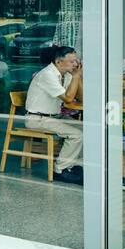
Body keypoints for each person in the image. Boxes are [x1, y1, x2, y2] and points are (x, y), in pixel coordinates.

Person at [24, 44, 84, 184]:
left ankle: (75, 166)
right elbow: (68, 98)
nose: (75, 64)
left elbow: (82, 98)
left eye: (76, 60)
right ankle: (60, 169)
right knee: (77, 134)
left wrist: (77, 77)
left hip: (54, 117)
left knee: (87, 129)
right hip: (37, 118)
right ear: (58, 62)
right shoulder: (47, 74)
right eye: (71, 61)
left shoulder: (66, 75)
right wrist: (75, 77)